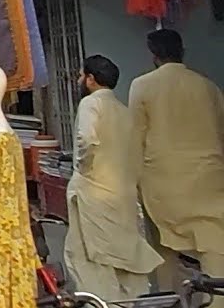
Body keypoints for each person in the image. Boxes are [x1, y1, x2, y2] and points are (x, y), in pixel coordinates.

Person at [128, 29, 224, 290]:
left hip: (162, 180)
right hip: (209, 177)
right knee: (214, 244)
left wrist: (132, 181)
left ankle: (171, 296)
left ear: (153, 55)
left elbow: (135, 136)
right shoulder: (208, 86)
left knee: (163, 246)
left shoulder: (142, 85)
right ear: (182, 51)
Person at [64, 55, 161, 300]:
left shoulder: (90, 104)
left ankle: (101, 304)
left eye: (80, 75)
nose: (78, 80)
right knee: (125, 260)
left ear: (90, 79)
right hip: (122, 197)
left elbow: (87, 139)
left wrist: (83, 169)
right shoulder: (124, 111)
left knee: (89, 260)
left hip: (93, 195)